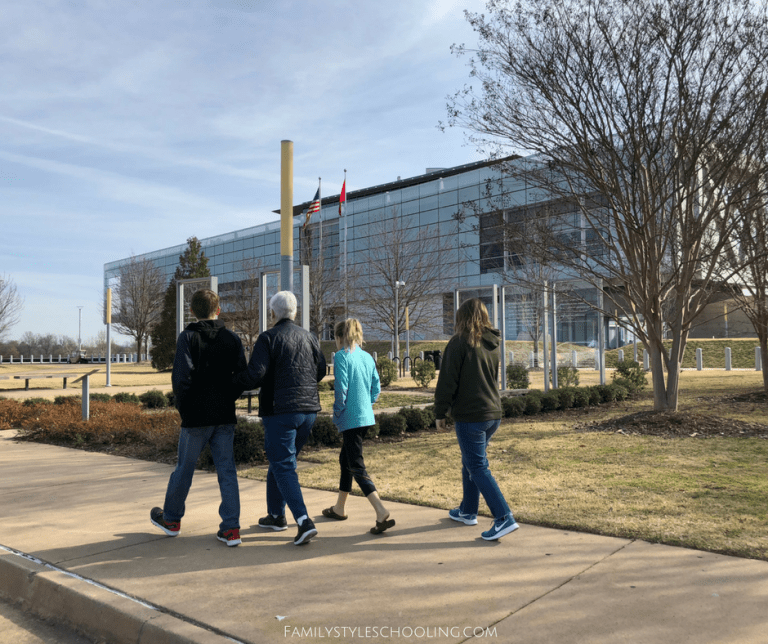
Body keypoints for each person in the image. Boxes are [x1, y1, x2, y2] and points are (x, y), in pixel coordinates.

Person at [150, 288, 247, 546]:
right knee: (227, 471)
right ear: (218, 309)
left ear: (191, 311)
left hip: (196, 417)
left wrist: (186, 409)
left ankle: (171, 519)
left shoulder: (188, 337)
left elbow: (180, 379)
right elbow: (242, 376)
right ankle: (231, 528)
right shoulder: (232, 339)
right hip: (224, 415)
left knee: (184, 469)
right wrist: (229, 398)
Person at [236, 291, 327, 545]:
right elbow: (320, 370)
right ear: (295, 312)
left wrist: (231, 385)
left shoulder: (268, 338)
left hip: (280, 411)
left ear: (272, 313)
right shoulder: (310, 337)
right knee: (281, 462)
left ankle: (303, 521)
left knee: (284, 465)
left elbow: (256, 373)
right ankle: (276, 515)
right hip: (308, 411)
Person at [434, 298, 519, 541]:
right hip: (492, 414)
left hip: (471, 416)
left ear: (462, 317)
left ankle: (504, 518)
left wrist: (440, 413)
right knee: (470, 461)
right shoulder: (493, 344)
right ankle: (468, 510)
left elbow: (447, 381)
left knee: (478, 466)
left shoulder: (459, 342)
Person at [323, 319, 394, 534]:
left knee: (356, 465)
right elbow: (376, 388)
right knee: (346, 460)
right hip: (365, 416)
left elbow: (341, 389)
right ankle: (339, 508)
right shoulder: (366, 357)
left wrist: (336, 412)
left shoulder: (342, 357)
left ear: (339, 337)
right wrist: (366, 404)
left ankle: (380, 511)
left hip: (350, 418)